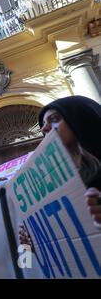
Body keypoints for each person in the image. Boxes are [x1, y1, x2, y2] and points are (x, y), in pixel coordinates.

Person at [20, 95, 101, 245]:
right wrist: (32, 246)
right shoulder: (54, 188)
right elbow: (26, 264)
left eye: (55, 119)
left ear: (82, 119)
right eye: (43, 124)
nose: (44, 129)